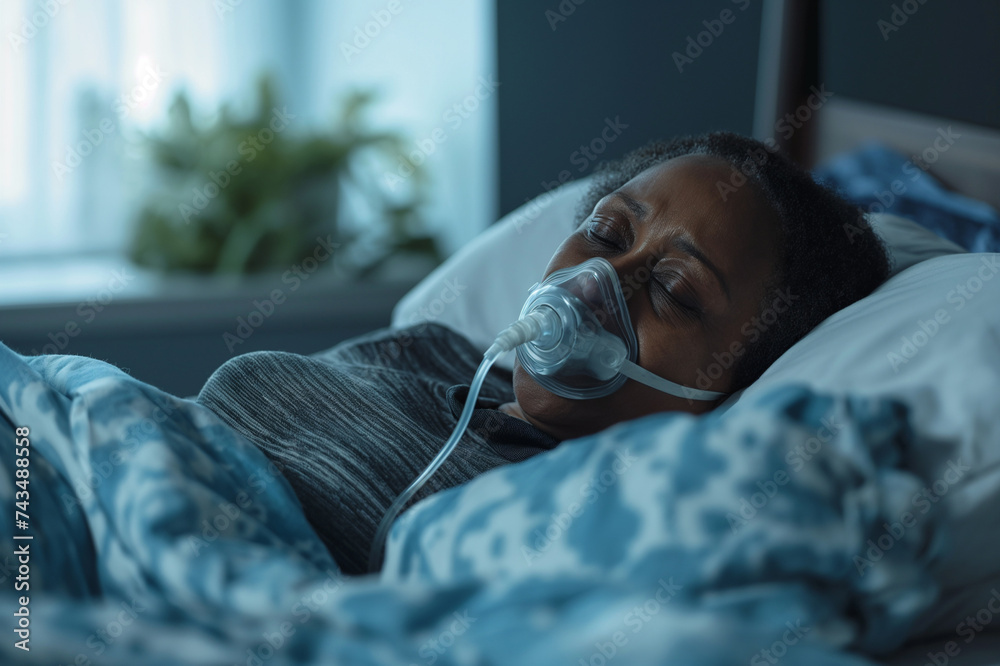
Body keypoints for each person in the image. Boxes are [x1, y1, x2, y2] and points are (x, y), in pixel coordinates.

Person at [196, 131, 890, 575]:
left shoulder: (603, 523)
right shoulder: (431, 355)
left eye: (677, 289)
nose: (598, 287)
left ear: (739, 378)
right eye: (609, 234)